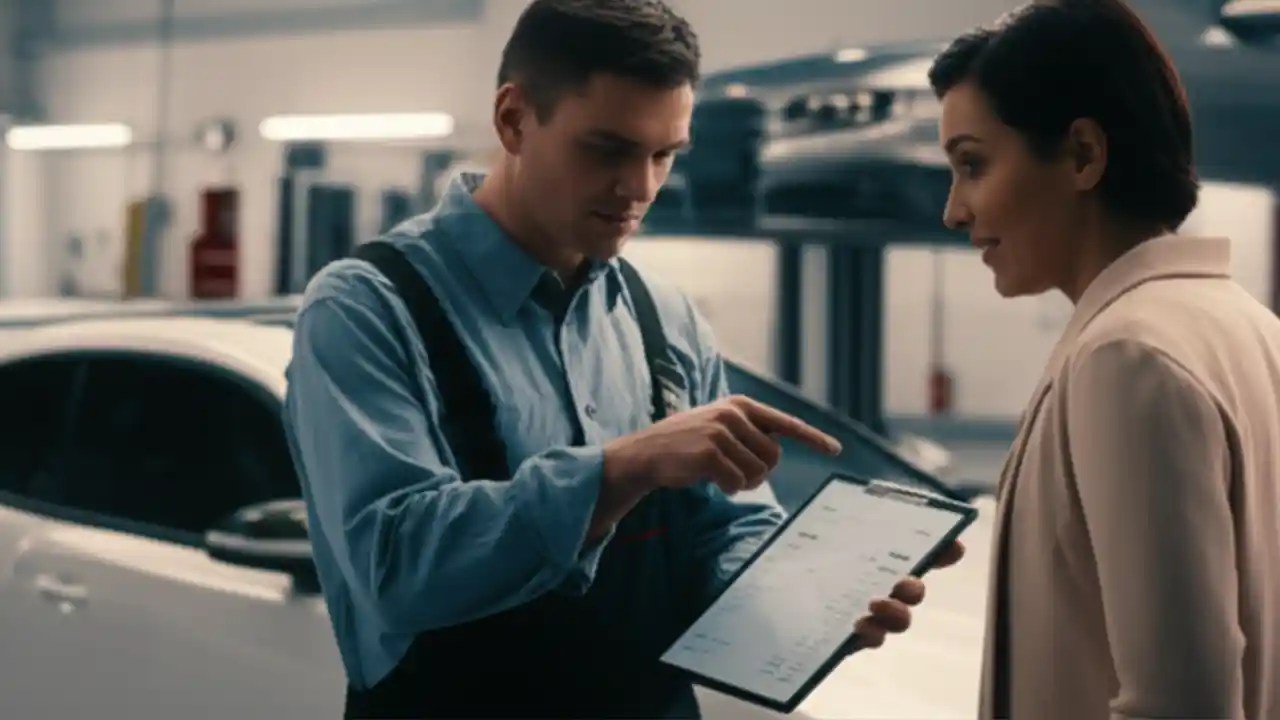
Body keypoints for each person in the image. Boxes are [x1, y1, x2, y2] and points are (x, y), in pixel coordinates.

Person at [283, 1, 963, 718]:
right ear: (514, 120)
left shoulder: (663, 319)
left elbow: (722, 530)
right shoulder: (368, 308)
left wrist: (807, 606)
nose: (639, 188)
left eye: (664, 155)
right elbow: (394, 566)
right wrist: (623, 468)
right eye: (606, 150)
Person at [929, 1, 1280, 718]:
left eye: (973, 165)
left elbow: (1179, 703)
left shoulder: (1128, 355)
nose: (954, 210)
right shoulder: (1252, 328)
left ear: (1084, 155)